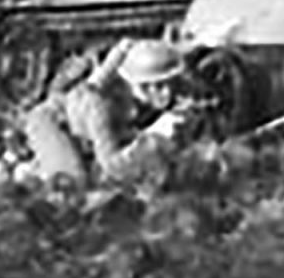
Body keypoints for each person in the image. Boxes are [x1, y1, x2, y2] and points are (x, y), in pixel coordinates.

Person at [21, 37, 200, 186]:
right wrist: (152, 136)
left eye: (170, 83)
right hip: (51, 124)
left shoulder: (125, 92)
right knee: (73, 184)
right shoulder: (100, 109)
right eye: (155, 86)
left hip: (85, 121)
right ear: (136, 85)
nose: (166, 93)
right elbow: (113, 168)